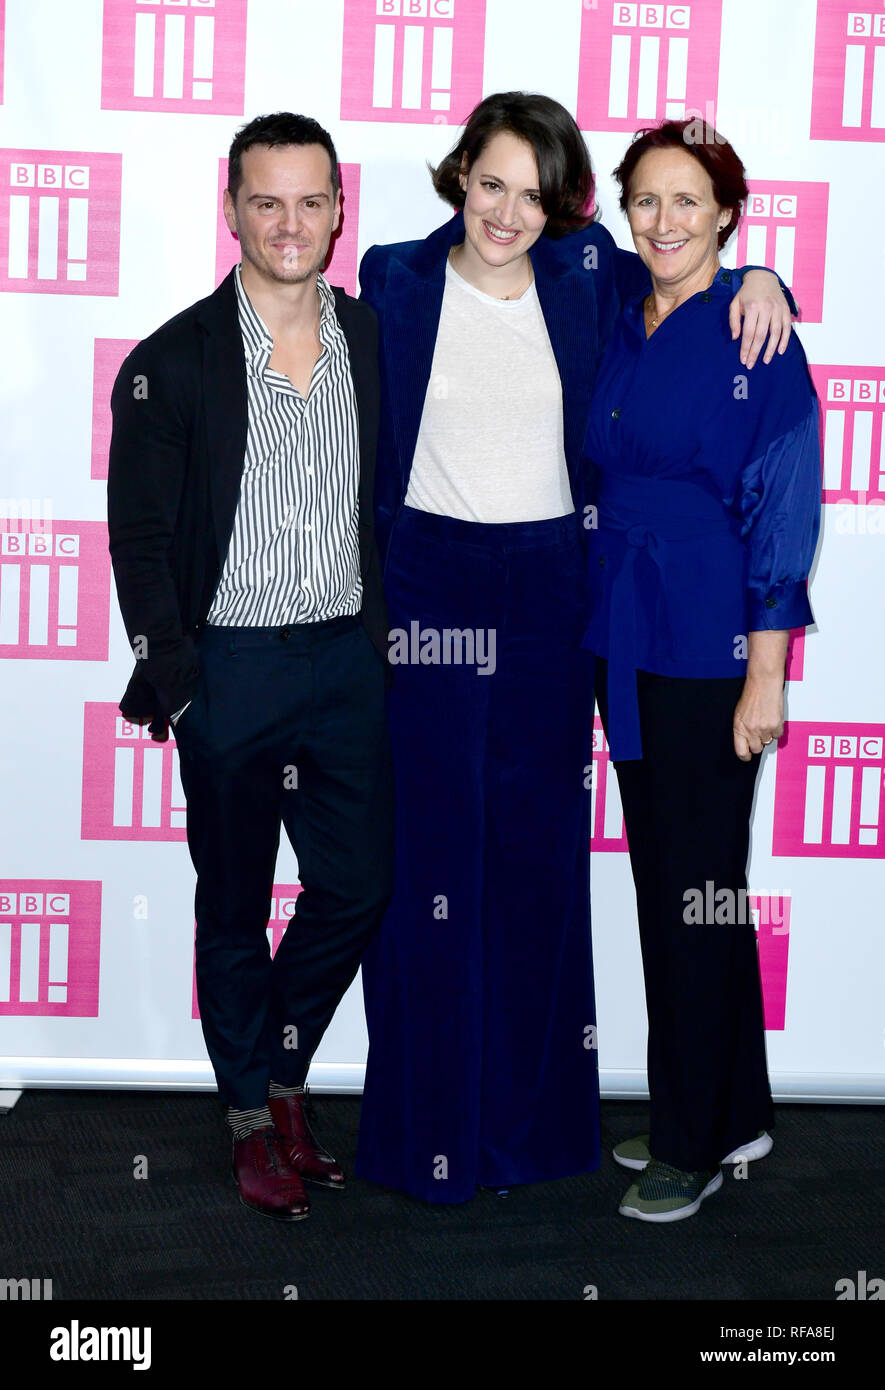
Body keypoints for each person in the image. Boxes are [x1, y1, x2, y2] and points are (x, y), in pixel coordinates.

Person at [355, 91, 793, 1205]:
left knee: (548, 868)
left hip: (563, 597)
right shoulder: (393, 279)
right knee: (429, 867)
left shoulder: (585, 274)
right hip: (436, 590)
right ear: (459, 175)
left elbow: (696, 277)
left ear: (563, 205)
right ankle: (430, 1129)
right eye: (490, 183)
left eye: (534, 192)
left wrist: (766, 279)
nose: (508, 211)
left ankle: (542, 1131)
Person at [106, 112, 394, 1222]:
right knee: (232, 907)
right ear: (231, 210)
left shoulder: (370, 337)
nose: (289, 223)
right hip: (230, 671)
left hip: (346, 664)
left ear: (338, 210)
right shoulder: (170, 361)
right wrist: (183, 686)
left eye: (310, 200)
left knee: (357, 886)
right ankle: (248, 1119)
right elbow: (138, 542)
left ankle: (278, 1078)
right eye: (265, 201)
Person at [582, 118, 821, 1222]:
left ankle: (691, 1142)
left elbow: (785, 507)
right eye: (646, 200)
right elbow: (506, 238)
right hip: (623, 635)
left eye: (689, 201)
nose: (665, 220)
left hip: (712, 644)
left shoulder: (754, 331)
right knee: (680, 884)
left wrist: (766, 673)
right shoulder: (618, 307)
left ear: (727, 214)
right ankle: (732, 1106)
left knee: (696, 891)